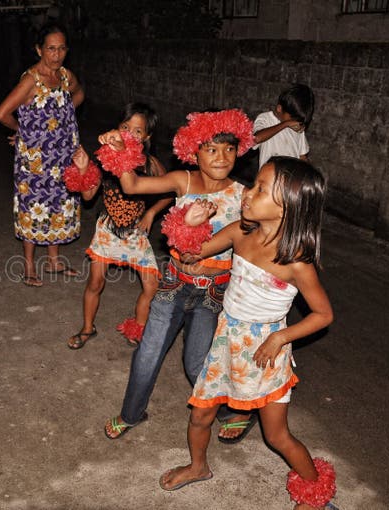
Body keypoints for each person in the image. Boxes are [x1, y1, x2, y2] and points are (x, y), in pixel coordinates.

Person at [157, 157, 336, 510]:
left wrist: (280, 338)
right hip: (227, 342)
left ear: (288, 205)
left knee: (277, 436)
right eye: (252, 184)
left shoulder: (296, 261)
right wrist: (187, 223)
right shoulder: (241, 232)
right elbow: (191, 254)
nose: (247, 193)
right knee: (200, 414)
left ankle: (316, 493)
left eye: (259, 189)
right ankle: (198, 466)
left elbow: (323, 315)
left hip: (264, 352)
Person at [101, 110, 255, 440]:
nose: (221, 157)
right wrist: (121, 148)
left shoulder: (244, 196)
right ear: (193, 150)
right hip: (174, 283)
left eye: (229, 149)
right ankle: (131, 413)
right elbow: (131, 184)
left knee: (196, 362)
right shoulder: (182, 180)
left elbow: (251, 243)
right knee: (148, 351)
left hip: (214, 293)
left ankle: (233, 410)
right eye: (211, 149)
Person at [63, 103, 172, 348]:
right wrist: (83, 170)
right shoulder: (106, 158)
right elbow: (89, 197)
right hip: (107, 231)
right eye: (125, 127)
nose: (130, 134)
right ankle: (87, 328)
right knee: (95, 283)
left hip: (135, 233)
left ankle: (137, 328)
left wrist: (152, 213)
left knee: (152, 284)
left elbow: (171, 190)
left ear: (146, 137)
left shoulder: (150, 164)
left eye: (137, 131)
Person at [0, 22, 84, 287]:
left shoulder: (66, 76)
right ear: (39, 50)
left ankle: (54, 261)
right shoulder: (30, 80)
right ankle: (30, 267)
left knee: (59, 201)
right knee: (33, 206)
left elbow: (78, 94)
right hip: (36, 160)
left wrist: (63, 116)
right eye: (50, 49)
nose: (56, 55)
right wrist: (26, 132)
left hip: (63, 154)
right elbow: (1, 114)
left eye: (61, 49)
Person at [253, 84, 314, 169]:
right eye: (292, 118)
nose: (294, 122)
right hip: (270, 178)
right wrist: (285, 124)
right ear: (279, 109)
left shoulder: (297, 126)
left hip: (291, 178)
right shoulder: (265, 119)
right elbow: (256, 138)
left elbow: (302, 156)